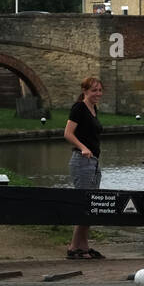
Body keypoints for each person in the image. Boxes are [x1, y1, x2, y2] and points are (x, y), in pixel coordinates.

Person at [64, 76, 105, 259]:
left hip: (94, 163)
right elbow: (68, 133)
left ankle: (84, 246)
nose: (97, 94)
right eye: (94, 90)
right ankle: (74, 248)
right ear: (85, 91)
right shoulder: (79, 108)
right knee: (84, 205)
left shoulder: (93, 108)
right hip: (82, 162)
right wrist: (83, 148)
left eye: (99, 90)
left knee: (91, 205)